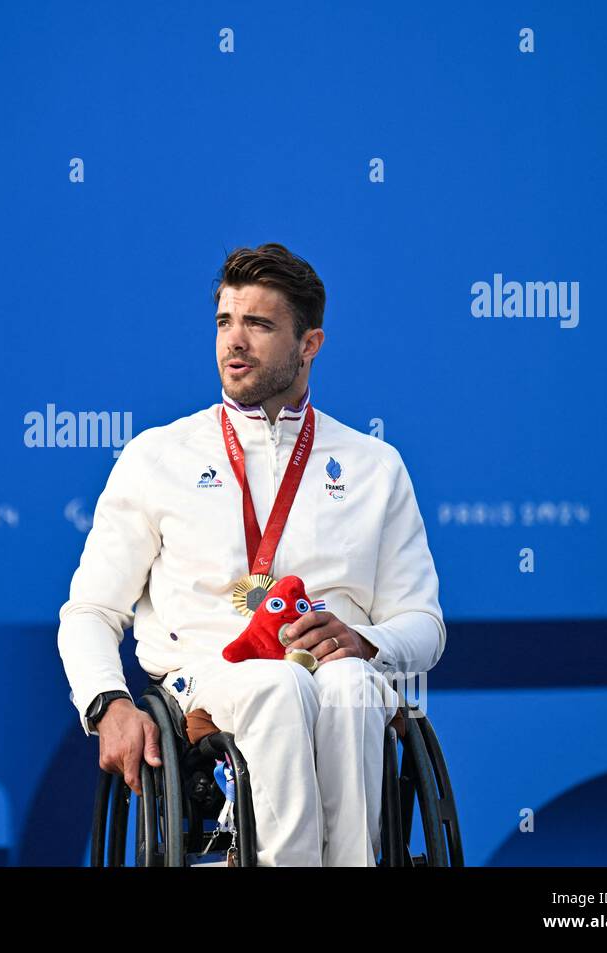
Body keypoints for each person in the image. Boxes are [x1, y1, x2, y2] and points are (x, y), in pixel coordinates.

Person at [56, 243, 446, 866]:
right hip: (207, 683)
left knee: (349, 684)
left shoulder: (376, 467)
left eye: (259, 325)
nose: (234, 341)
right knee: (278, 683)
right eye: (224, 322)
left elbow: (424, 625)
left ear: (309, 343)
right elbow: (89, 611)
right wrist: (107, 704)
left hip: (335, 681)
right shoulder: (158, 456)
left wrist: (369, 644)